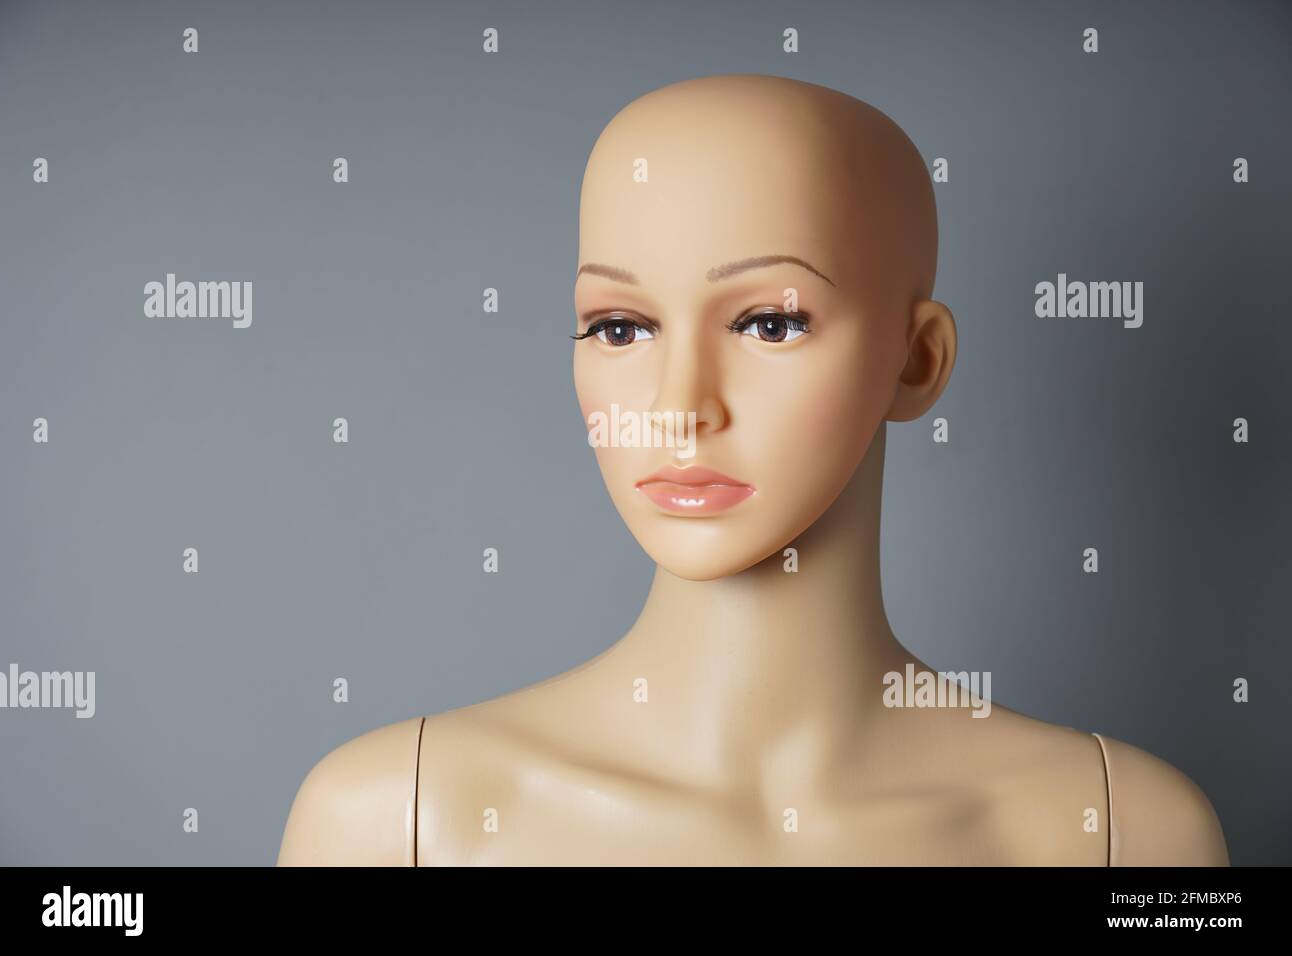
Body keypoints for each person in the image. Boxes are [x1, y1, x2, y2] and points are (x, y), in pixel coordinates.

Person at [277, 73, 1228, 866]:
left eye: (770, 323)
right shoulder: (392, 819)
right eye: (621, 326)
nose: (681, 405)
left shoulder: (1131, 833)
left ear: (917, 360)